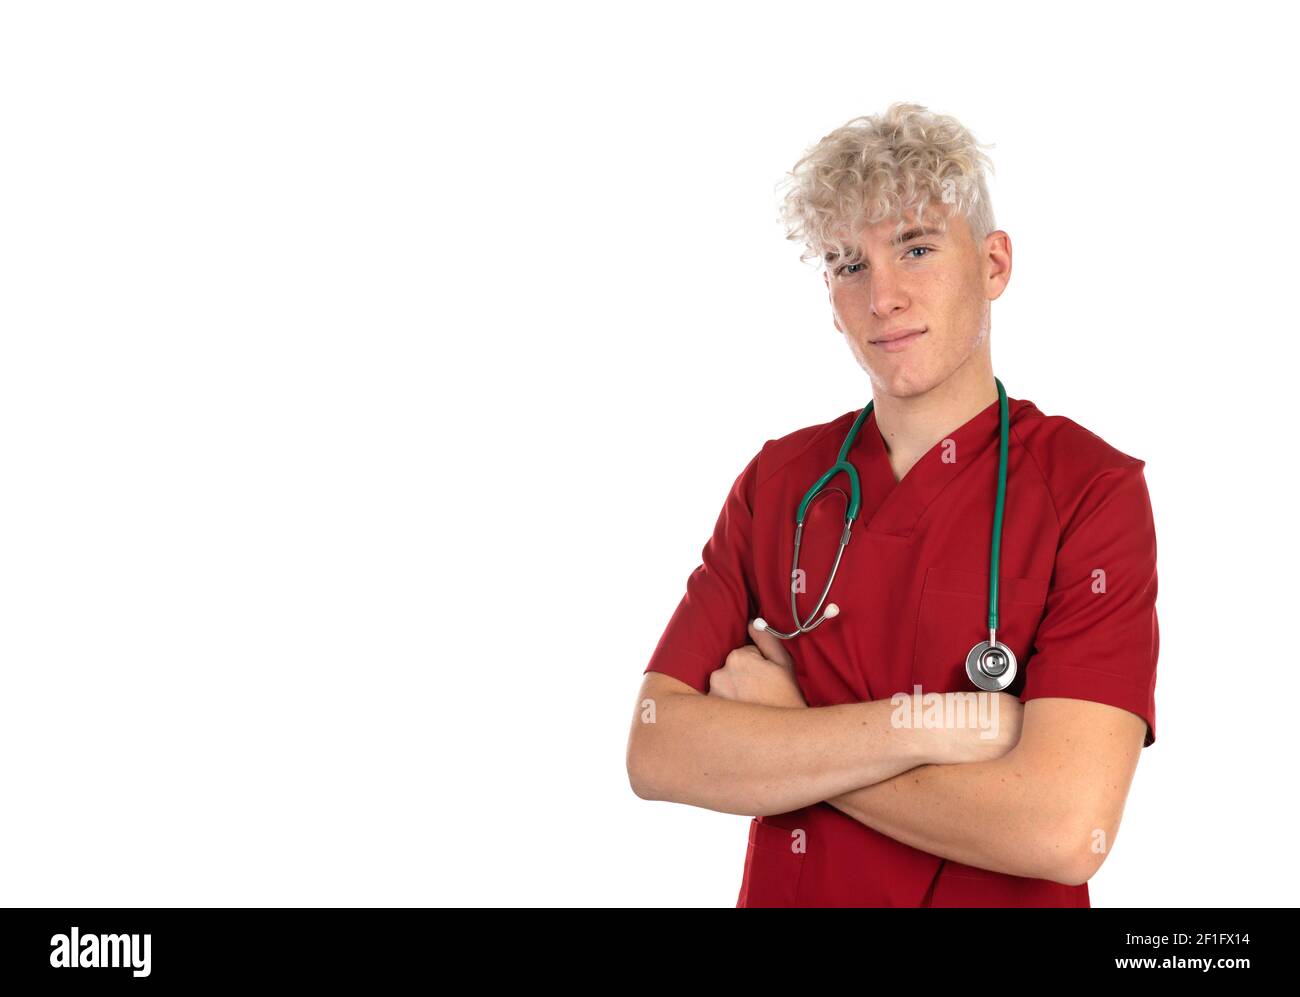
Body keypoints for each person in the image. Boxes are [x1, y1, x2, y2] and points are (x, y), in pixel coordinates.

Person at [625, 102, 1158, 907]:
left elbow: (1062, 828)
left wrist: (791, 729)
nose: (883, 297)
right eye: (848, 264)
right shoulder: (781, 484)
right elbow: (657, 749)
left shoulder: (1090, 489)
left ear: (994, 264)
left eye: (915, 248)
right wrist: (937, 726)